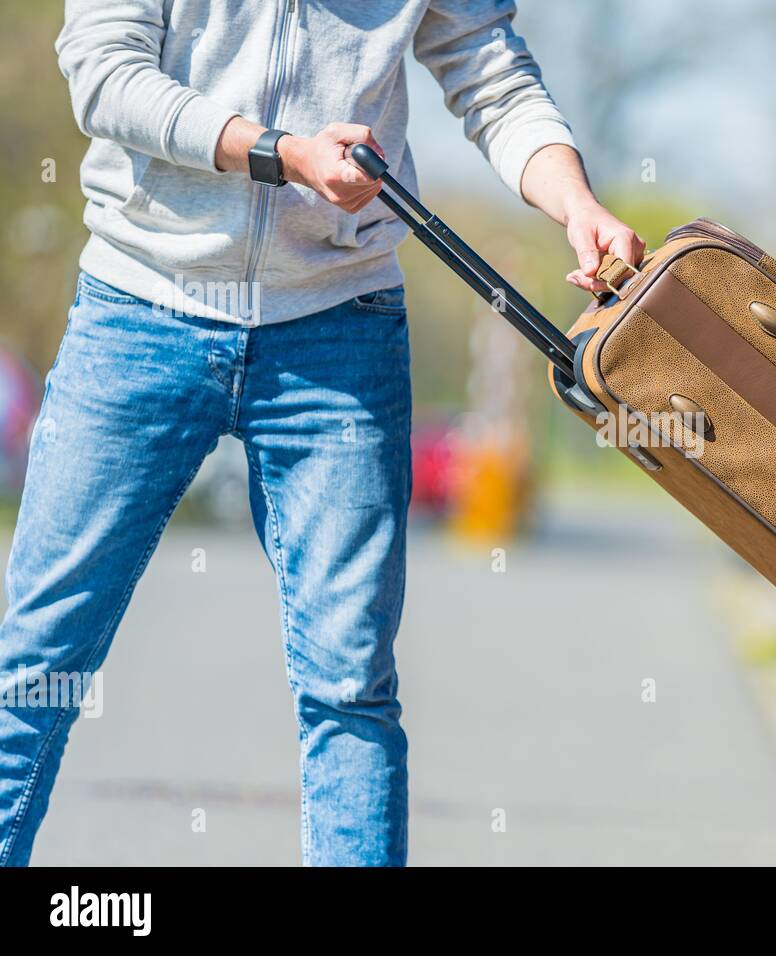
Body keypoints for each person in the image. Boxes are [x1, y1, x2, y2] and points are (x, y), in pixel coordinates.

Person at [0, 0, 644, 867]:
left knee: (350, 689)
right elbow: (105, 72)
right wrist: (278, 152)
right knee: (38, 664)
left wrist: (575, 203)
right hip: (140, 303)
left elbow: (487, 65)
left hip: (339, 319)